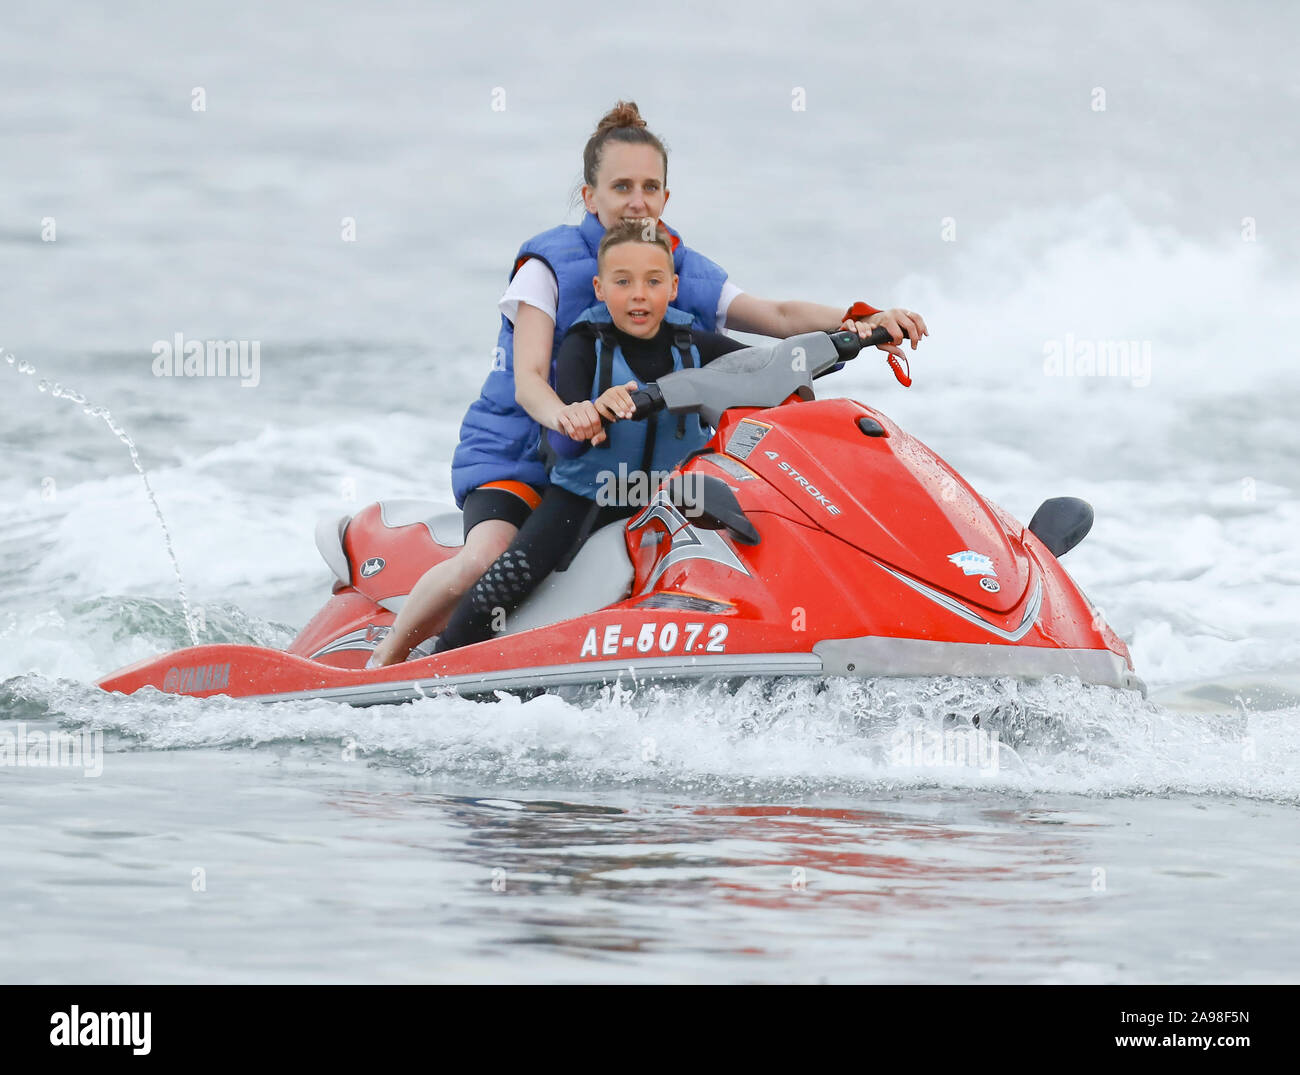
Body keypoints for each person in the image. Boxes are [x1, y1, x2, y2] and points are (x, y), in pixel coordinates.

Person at [369, 100, 927, 667]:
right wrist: (572, 415)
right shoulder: (549, 266)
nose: (637, 202)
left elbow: (778, 317)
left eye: (650, 188)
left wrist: (860, 321)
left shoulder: (671, 265)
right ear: (590, 197)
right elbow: (530, 382)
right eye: (621, 187)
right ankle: (389, 662)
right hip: (520, 455)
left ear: (665, 198)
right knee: (486, 555)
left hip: (620, 464)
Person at [432, 220, 751, 652]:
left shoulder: (695, 345)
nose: (639, 293)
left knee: (756, 535)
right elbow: (563, 440)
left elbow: (765, 371)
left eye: (653, 281)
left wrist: (843, 340)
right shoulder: (584, 343)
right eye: (623, 282)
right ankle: (444, 658)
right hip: (586, 496)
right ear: (600, 289)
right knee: (511, 576)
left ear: (673, 288)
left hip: (673, 497)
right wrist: (593, 413)